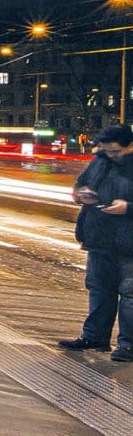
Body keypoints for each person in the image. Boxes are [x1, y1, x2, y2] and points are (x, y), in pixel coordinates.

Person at [61, 124, 133, 359]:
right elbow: (81, 183)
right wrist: (81, 194)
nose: (110, 156)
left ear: (130, 146)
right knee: (99, 290)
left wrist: (127, 208)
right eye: (105, 151)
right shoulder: (101, 160)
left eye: (114, 152)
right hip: (99, 237)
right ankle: (95, 337)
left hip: (129, 242)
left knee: (130, 294)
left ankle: (127, 345)